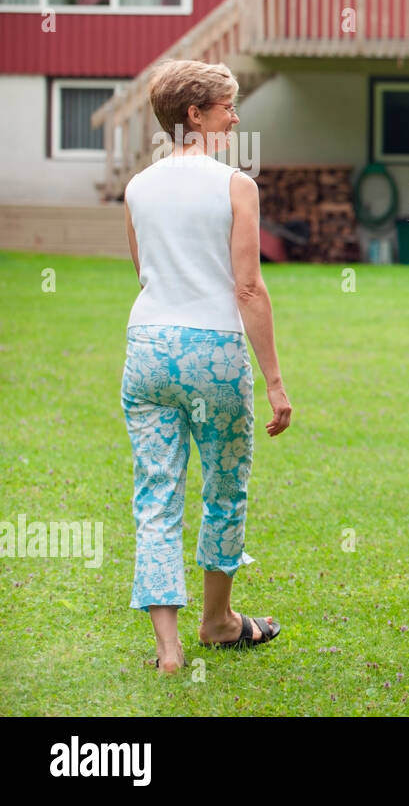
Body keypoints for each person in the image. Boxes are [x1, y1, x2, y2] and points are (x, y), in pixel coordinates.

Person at [122, 59, 292, 674]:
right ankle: (218, 622)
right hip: (213, 352)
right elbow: (248, 288)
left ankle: (168, 651)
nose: (236, 116)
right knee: (223, 486)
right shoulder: (235, 185)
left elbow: (143, 269)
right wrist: (274, 381)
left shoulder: (137, 187)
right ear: (194, 114)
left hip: (148, 346)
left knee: (156, 493)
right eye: (227, 106)